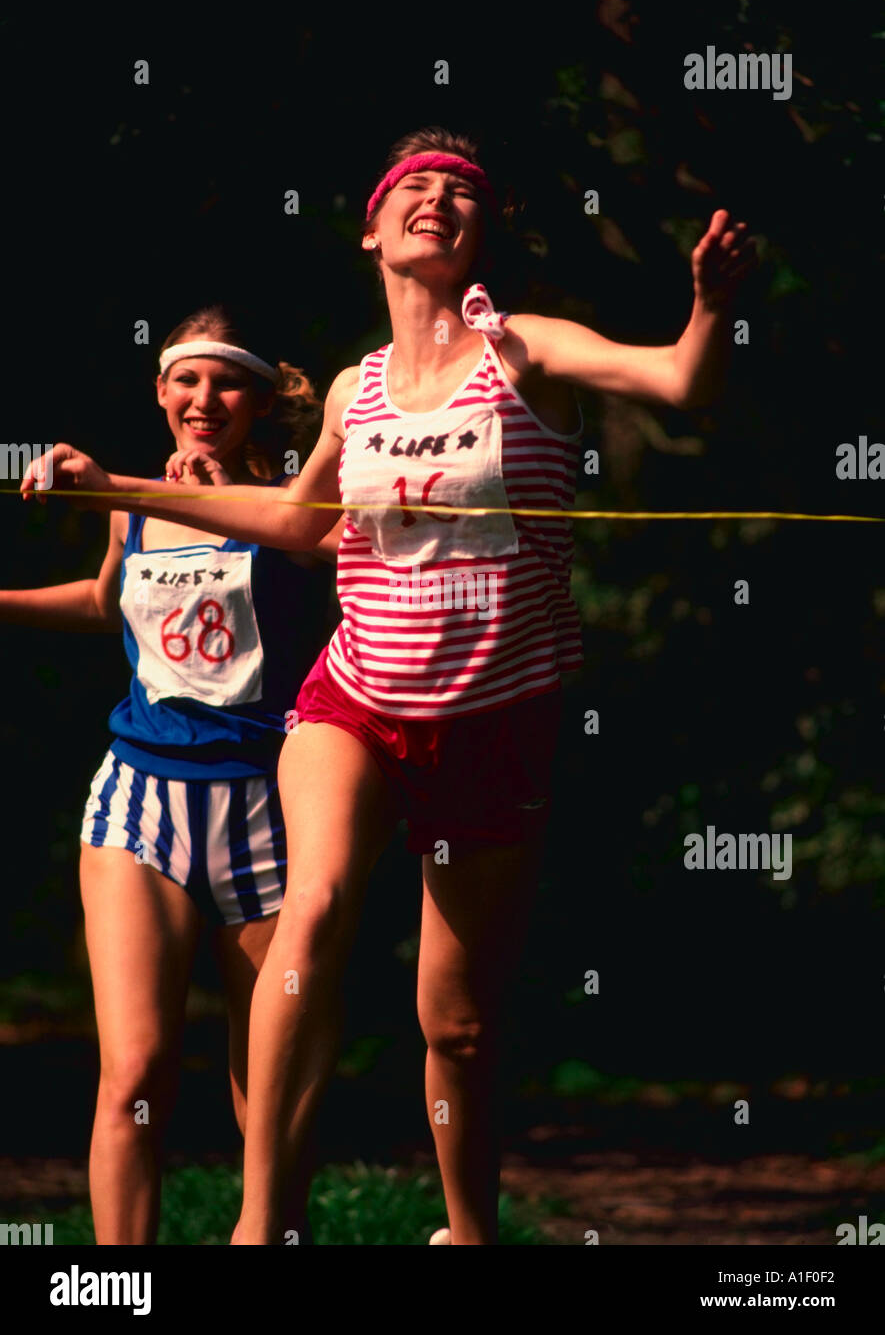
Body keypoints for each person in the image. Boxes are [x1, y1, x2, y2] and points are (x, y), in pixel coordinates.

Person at [23, 127, 756, 1244]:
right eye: (414, 186)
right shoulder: (355, 394)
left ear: (481, 235)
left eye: (461, 191)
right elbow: (297, 523)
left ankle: (467, 1229)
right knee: (309, 910)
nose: (437, 198)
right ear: (373, 230)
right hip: (354, 700)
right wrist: (109, 487)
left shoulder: (523, 350)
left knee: (454, 1025)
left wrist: (707, 305)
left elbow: (679, 380)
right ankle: (261, 1227)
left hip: (495, 718)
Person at [8, 305, 339, 1243]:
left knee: (262, 1093)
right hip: (139, 802)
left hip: (270, 808)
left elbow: (320, 550)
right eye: (185, 381)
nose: (204, 399)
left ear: (261, 400)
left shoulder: (287, 503)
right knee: (136, 1073)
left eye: (226, 381)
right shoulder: (130, 501)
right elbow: (104, 603)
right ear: (161, 393)